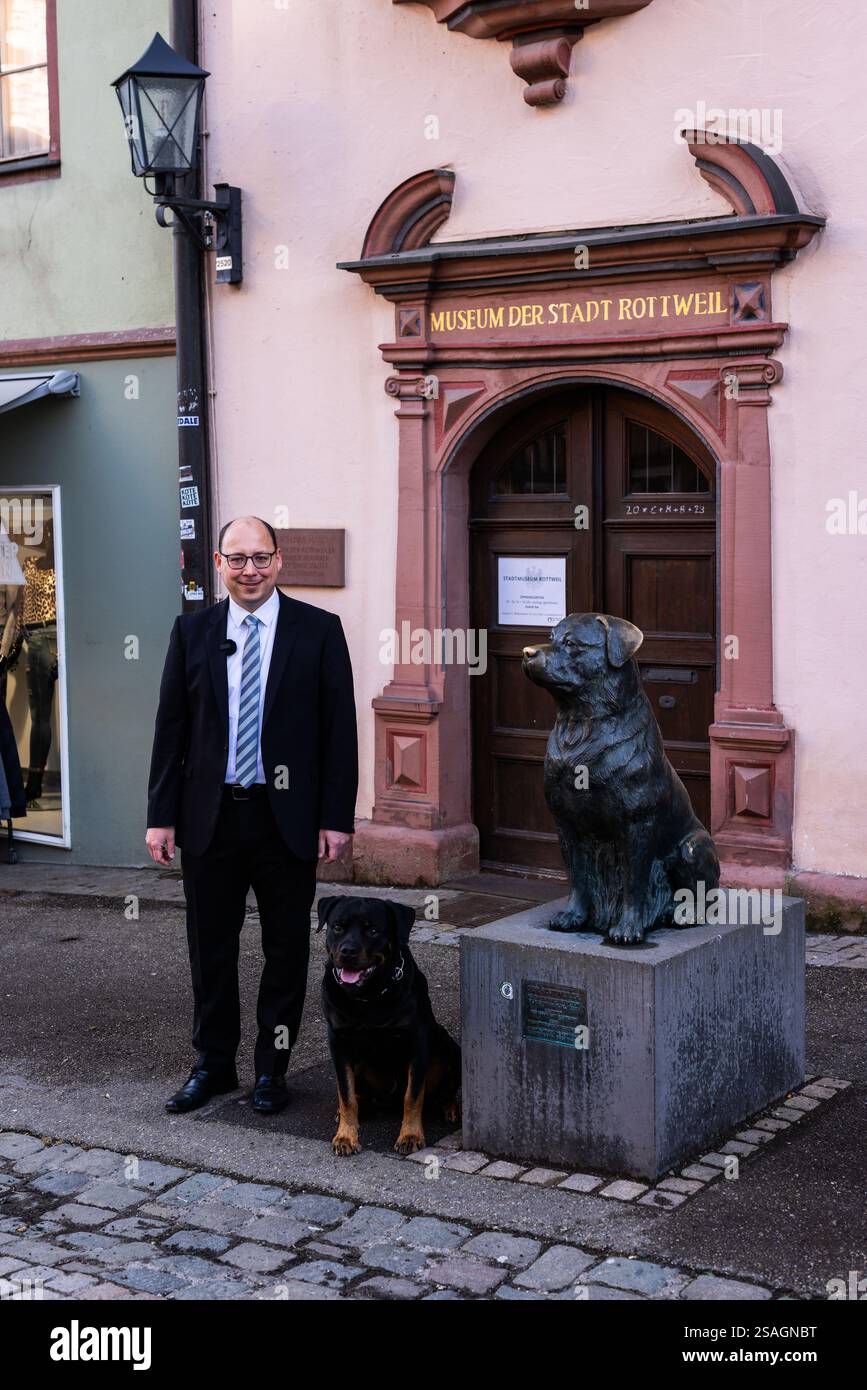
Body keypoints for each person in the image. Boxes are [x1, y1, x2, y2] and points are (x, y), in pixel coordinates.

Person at [146, 516, 357, 1114]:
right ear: (218, 565)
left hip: (284, 820)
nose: (250, 570)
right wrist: (161, 815)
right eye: (236, 559)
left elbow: (339, 732)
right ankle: (213, 1065)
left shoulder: (318, 630)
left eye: (260, 557)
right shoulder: (193, 633)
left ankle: (272, 1069)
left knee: (286, 950)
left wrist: (335, 818)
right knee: (210, 948)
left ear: (279, 560)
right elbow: (171, 731)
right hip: (209, 819)